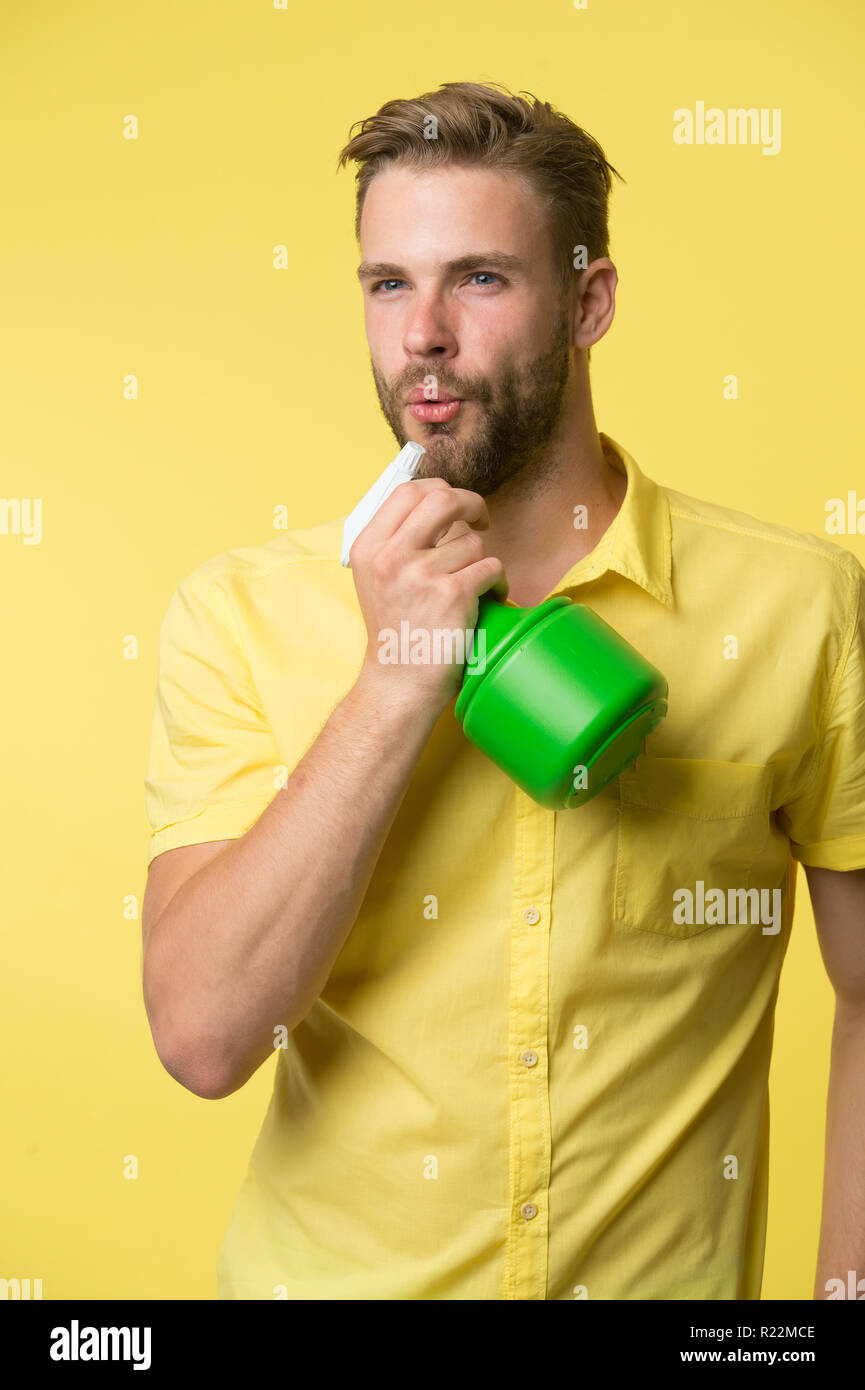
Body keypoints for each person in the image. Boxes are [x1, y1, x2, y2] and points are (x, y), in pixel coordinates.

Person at [142, 80, 865, 1300]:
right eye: (387, 284)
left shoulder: (801, 609)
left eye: (478, 278)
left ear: (588, 303)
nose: (423, 332)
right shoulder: (241, 613)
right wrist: (395, 677)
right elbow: (206, 1038)